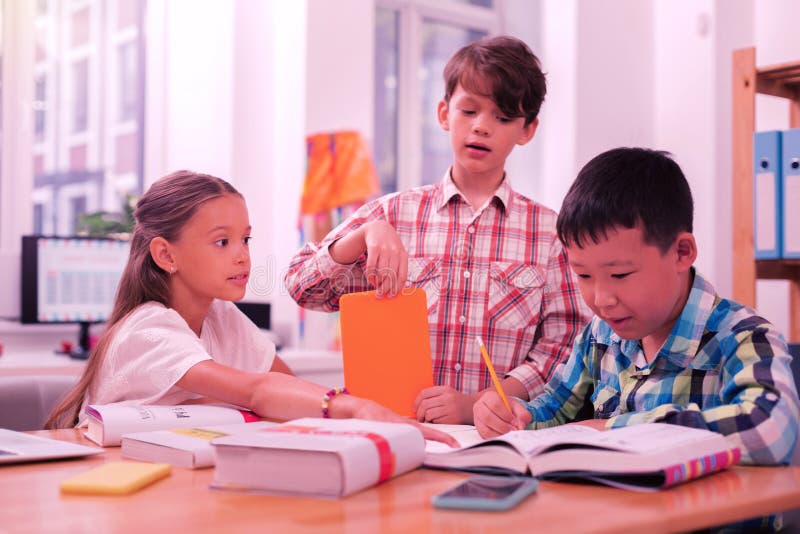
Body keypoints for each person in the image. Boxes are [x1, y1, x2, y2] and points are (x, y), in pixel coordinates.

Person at [284, 36, 589, 425]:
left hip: (491, 440)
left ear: (527, 130)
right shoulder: (391, 214)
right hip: (389, 432)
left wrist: (478, 403)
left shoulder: (549, 235)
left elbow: (562, 347)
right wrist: (363, 235)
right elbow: (301, 286)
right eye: (469, 110)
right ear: (444, 114)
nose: (481, 127)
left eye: (503, 117)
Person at [44, 170, 455, 445]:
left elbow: (287, 384)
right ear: (166, 255)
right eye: (223, 242)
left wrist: (354, 410)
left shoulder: (221, 315)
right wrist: (355, 407)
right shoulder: (147, 330)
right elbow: (258, 391)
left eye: (246, 240)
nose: (242, 256)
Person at [473, 147, 800, 465]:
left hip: (706, 520)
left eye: (620, 274)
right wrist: (515, 414)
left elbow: (770, 430)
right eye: (584, 274)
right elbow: (554, 409)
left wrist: (614, 429)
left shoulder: (744, 338)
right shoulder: (599, 337)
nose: (601, 299)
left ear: (681, 253)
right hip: (616, 515)